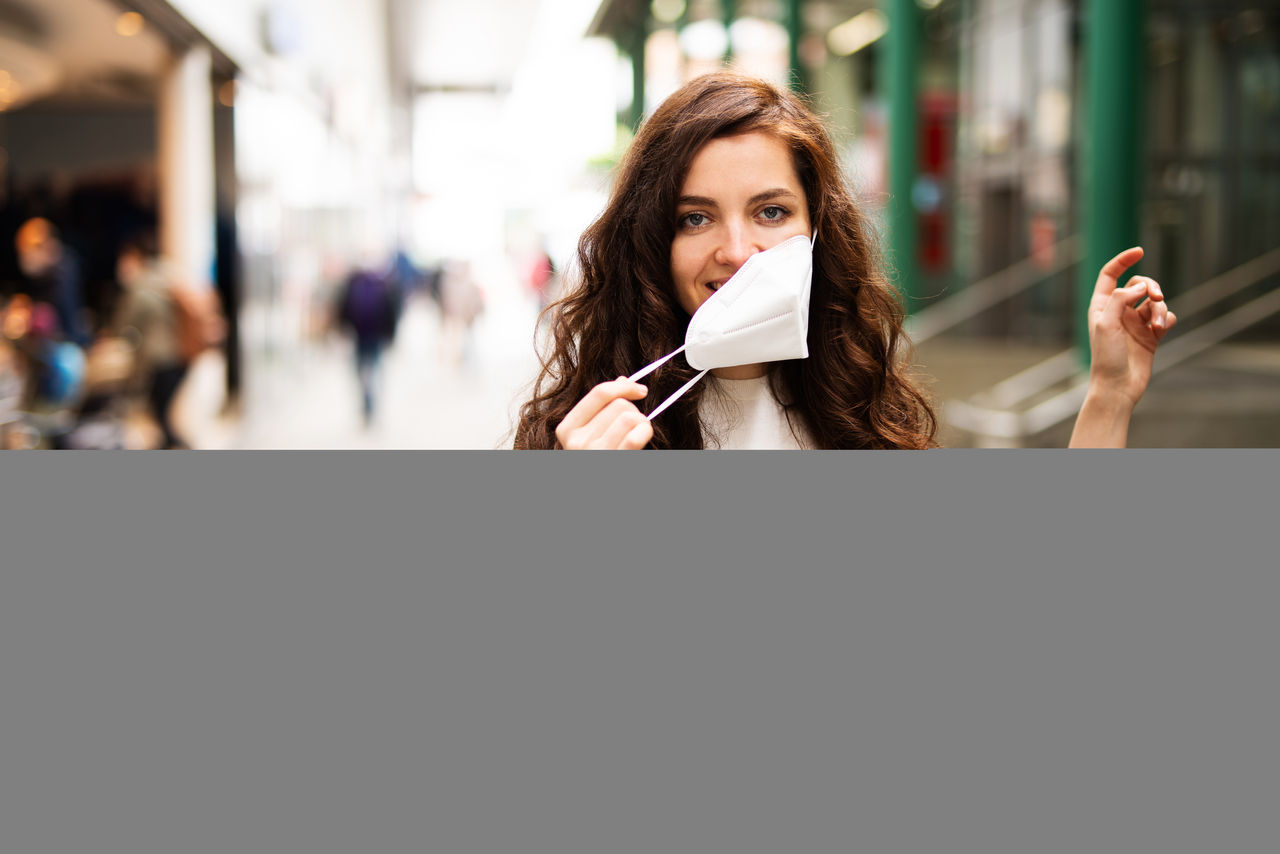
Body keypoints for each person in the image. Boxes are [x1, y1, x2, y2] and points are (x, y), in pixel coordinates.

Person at [514, 72, 1175, 449]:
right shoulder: (580, 434)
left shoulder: (862, 412)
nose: (739, 252)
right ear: (650, 238)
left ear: (817, 230)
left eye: (771, 212)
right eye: (695, 217)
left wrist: (1109, 395)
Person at [112, 237, 191, 449]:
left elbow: (124, 324)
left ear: (137, 257)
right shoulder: (164, 277)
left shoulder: (141, 285)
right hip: (180, 355)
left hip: (160, 359)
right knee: (164, 417)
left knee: (162, 417)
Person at [335, 266, 401, 425]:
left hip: (359, 336)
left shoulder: (353, 284)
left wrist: (342, 329)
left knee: (360, 372)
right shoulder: (382, 284)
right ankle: (372, 403)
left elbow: (343, 309)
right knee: (375, 371)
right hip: (376, 337)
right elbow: (390, 311)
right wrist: (391, 335)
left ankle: (366, 404)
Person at [13, 217, 91, 348]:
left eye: (30, 252)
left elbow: (67, 325)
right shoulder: (44, 274)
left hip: (67, 346)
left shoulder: (64, 274)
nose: (27, 258)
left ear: (49, 246)